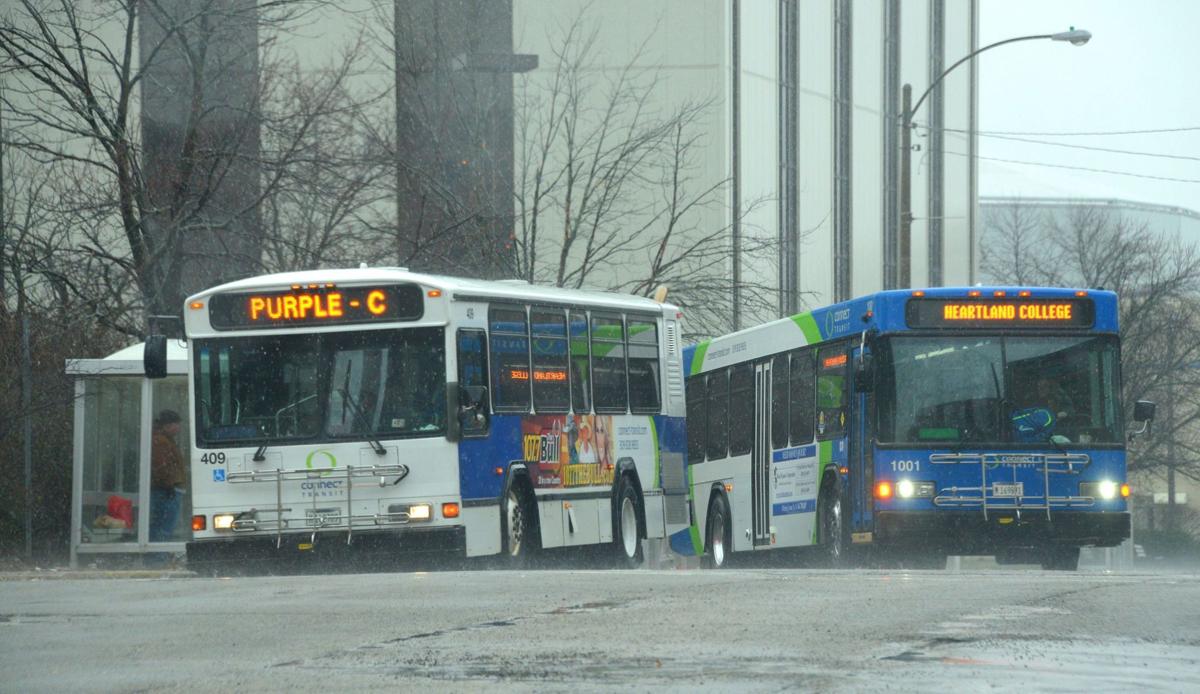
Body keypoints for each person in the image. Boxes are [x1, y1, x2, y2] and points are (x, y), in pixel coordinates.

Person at [149, 410, 186, 543]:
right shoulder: (161, 442)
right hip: (166, 491)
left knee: (160, 525)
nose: (178, 428)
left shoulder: (162, 440)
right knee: (164, 526)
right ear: (167, 425)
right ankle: (158, 559)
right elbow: (161, 467)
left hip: (165, 489)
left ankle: (157, 558)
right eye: (176, 424)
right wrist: (169, 485)